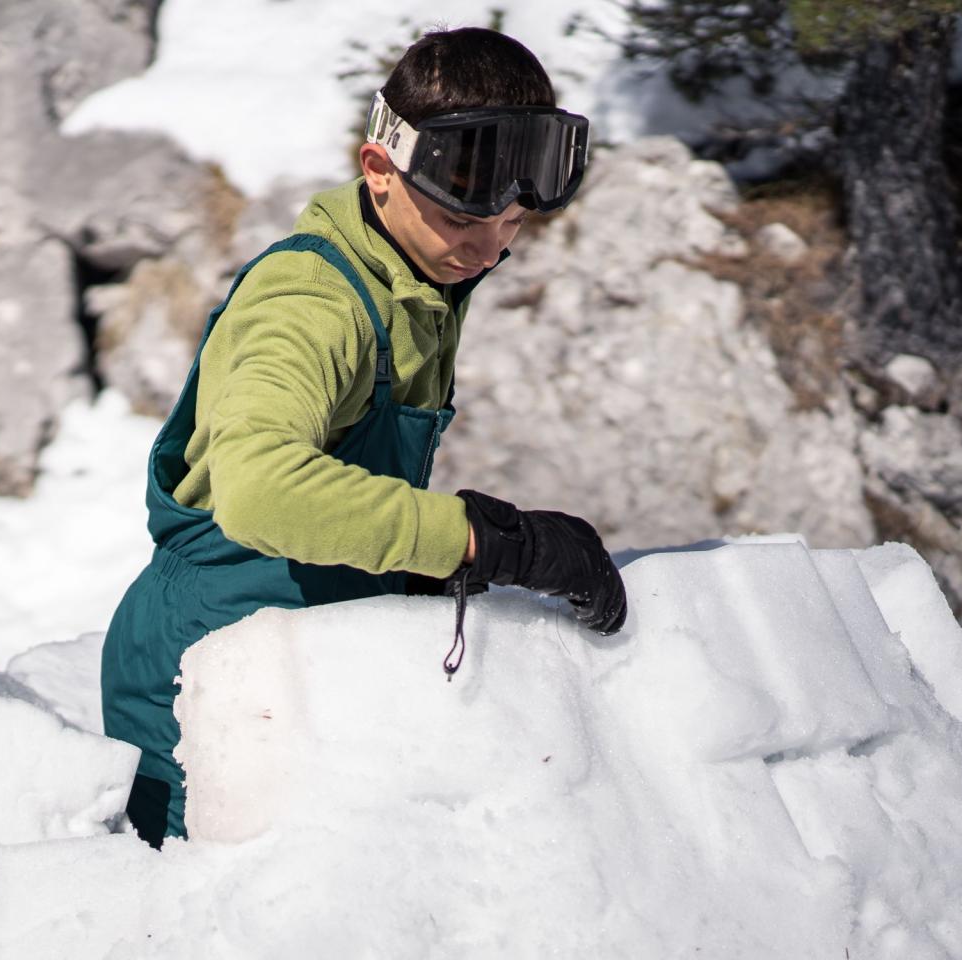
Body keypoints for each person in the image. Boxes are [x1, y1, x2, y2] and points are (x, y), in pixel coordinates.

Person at [100, 27, 630, 847]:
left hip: (298, 653)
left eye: (516, 220)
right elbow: (259, 489)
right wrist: (484, 543)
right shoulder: (311, 303)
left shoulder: (419, 270)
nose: (491, 248)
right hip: (202, 677)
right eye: (465, 215)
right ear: (379, 170)